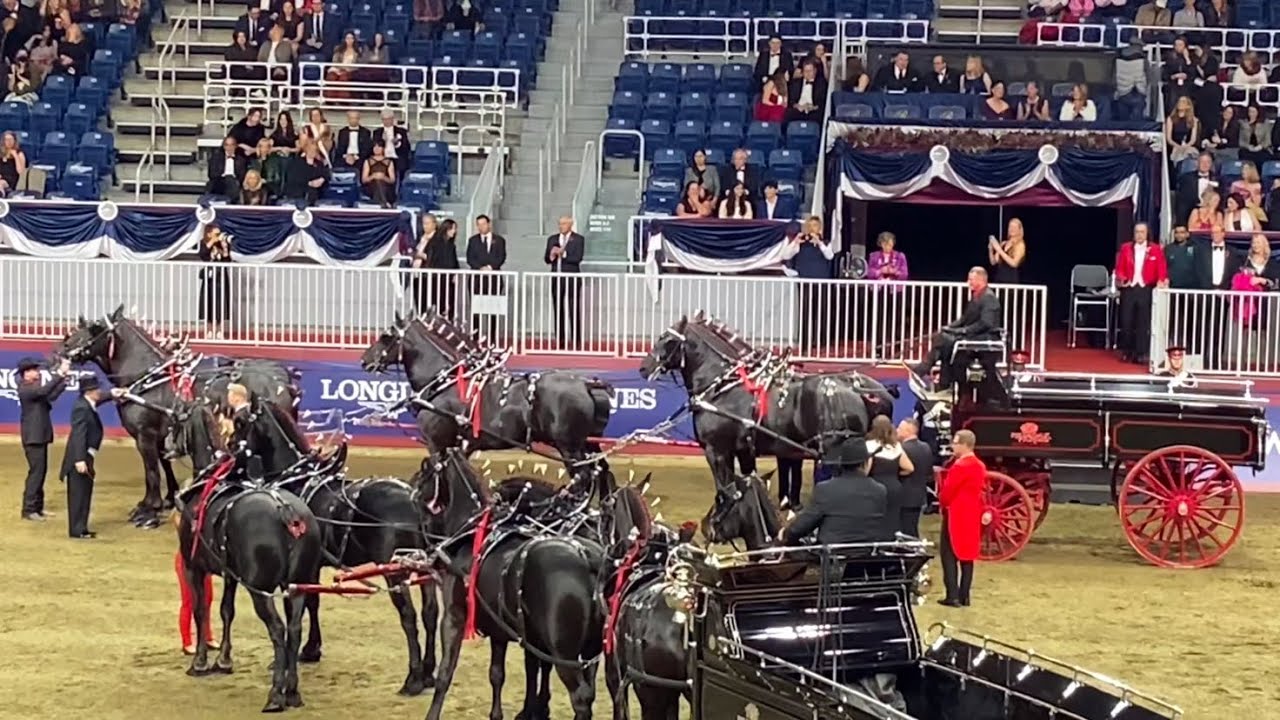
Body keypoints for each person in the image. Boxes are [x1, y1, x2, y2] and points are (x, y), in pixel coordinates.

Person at [780, 432, 890, 545]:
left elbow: (802, 527)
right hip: (867, 556)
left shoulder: (825, 489)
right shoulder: (880, 491)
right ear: (865, 464)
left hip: (832, 557)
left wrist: (785, 534)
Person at [912, 267, 1002, 388]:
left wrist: (962, 331)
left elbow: (986, 324)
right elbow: (963, 319)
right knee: (943, 336)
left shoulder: (988, 298)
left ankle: (925, 369)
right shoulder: (977, 296)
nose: (968, 282)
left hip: (984, 337)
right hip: (974, 335)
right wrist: (949, 327)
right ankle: (938, 377)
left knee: (945, 340)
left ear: (981, 280)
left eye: (971, 280)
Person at [61, 375, 116, 539]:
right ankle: (77, 529)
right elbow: (79, 434)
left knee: (85, 492)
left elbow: (100, 400)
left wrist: (113, 393)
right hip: (80, 458)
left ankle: (81, 527)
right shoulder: (81, 408)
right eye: (97, 389)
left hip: (87, 456)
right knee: (79, 494)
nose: (100, 391)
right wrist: (79, 459)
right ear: (89, 392)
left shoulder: (87, 403)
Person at [19, 355, 69, 521]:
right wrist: (60, 374)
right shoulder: (26, 389)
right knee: (36, 473)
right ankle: (29, 510)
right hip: (34, 437)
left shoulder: (32, 388)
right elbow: (44, 391)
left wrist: (63, 382)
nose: (37, 372)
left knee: (40, 472)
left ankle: (37, 508)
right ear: (26, 374)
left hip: (38, 436)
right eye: (34, 370)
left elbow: (50, 396)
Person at [938, 430, 984, 607]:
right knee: (967, 555)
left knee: (948, 555)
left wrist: (942, 502)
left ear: (965, 445)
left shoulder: (959, 467)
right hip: (972, 512)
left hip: (956, 513)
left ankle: (952, 595)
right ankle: (965, 595)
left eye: (956, 443)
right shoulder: (979, 465)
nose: (953, 446)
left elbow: (948, 492)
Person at [1114, 222, 1170, 365]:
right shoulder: (1126, 248)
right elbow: (1119, 268)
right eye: (1137, 231)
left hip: (1145, 288)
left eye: (1142, 232)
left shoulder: (1156, 249)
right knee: (1126, 322)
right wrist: (1122, 279)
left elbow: (1161, 269)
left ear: (1147, 233)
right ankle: (1126, 351)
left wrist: (1161, 280)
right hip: (1129, 288)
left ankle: (1140, 353)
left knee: (1143, 323)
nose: (1139, 234)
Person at [173, 511, 217, 655]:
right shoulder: (183, 511)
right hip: (187, 560)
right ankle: (187, 641)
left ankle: (207, 635)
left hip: (202, 558)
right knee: (189, 600)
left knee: (207, 598)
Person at [866, 415, 913, 538]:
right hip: (894, 486)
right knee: (893, 517)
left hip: (875, 486)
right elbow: (909, 468)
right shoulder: (896, 446)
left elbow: (866, 470)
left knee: (876, 517)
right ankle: (891, 540)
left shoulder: (870, 445)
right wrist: (895, 473)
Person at [544, 215, 585, 349]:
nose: (561, 226)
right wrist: (552, 255)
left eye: (564, 224)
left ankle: (576, 340)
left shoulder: (578, 239)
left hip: (572, 277)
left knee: (573, 308)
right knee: (558, 308)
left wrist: (564, 254)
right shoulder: (552, 239)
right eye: (560, 223)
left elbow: (578, 258)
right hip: (557, 277)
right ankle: (560, 340)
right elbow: (547, 259)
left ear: (570, 224)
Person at [466, 214, 507, 342]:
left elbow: (501, 257)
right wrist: (480, 268)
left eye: (483, 224)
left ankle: (492, 338)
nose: (481, 227)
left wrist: (490, 268)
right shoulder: (473, 240)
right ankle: (476, 337)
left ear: (489, 224)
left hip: (494, 279)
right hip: (477, 279)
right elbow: (470, 258)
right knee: (476, 310)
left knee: (492, 309)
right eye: (479, 225)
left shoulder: (499, 240)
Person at [896, 419, 933, 538]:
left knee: (906, 531)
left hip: (904, 497)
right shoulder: (926, 447)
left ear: (908, 431)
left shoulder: (901, 449)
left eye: (900, 429)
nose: (897, 431)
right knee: (912, 528)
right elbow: (929, 473)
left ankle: (913, 554)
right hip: (920, 497)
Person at [198, 226, 232, 338]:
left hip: (221, 277)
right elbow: (203, 255)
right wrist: (212, 241)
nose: (219, 236)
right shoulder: (204, 243)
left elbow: (227, 261)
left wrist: (225, 248)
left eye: (219, 234)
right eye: (216, 234)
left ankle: (220, 331)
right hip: (209, 278)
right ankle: (209, 330)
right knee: (208, 303)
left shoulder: (221, 244)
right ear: (209, 234)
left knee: (221, 303)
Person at [1175, 152, 1218, 228]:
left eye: (1208, 162)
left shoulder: (1217, 178)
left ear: (1211, 164)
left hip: (1211, 213)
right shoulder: (1186, 178)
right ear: (1197, 163)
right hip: (1190, 212)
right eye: (1202, 162)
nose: (1205, 164)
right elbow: (1182, 202)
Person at [784, 60, 826, 125]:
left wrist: (813, 107)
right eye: (806, 71)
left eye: (810, 71)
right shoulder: (795, 83)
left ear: (815, 71)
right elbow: (791, 100)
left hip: (813, 110)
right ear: (802, 72)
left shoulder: (821, 83)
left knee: (819, 115)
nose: (808, 73)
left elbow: (822, 101)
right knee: (787, 114)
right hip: (798, 110)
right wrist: (797, 106)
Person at [988, 218, 1026, 283]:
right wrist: (990, 249)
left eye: (1014, 227)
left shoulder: (1020, 244)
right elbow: (993, 262)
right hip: (999, 279)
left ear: (1019, 230)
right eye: (1010, 226)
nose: (1012, 229)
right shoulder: (1003, 243)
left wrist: (999, 250)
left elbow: (1014, 263)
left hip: (1010, 280)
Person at [361, 143, 397, 208]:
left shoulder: (389, 162)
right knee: (377, 182)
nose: (376, 149)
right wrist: (373, 176)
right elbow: (364, 180)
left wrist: (383, 177)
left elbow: (392, 180)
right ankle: (384, 203)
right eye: (375, 147)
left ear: (383, 148)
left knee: (380, 182)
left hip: (386, 187)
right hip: (371, 186)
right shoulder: (368, 161)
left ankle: (380, 203)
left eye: (379, 146)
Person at [1164, 225, 1197, 289]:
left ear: (1187, 234)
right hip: (1172, 287)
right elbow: (1163, 266)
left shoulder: (1194, 247)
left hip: (1190, 288)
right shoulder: (1168, 248)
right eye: (1177, 232)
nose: (1179, 235)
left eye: (1182, 232)